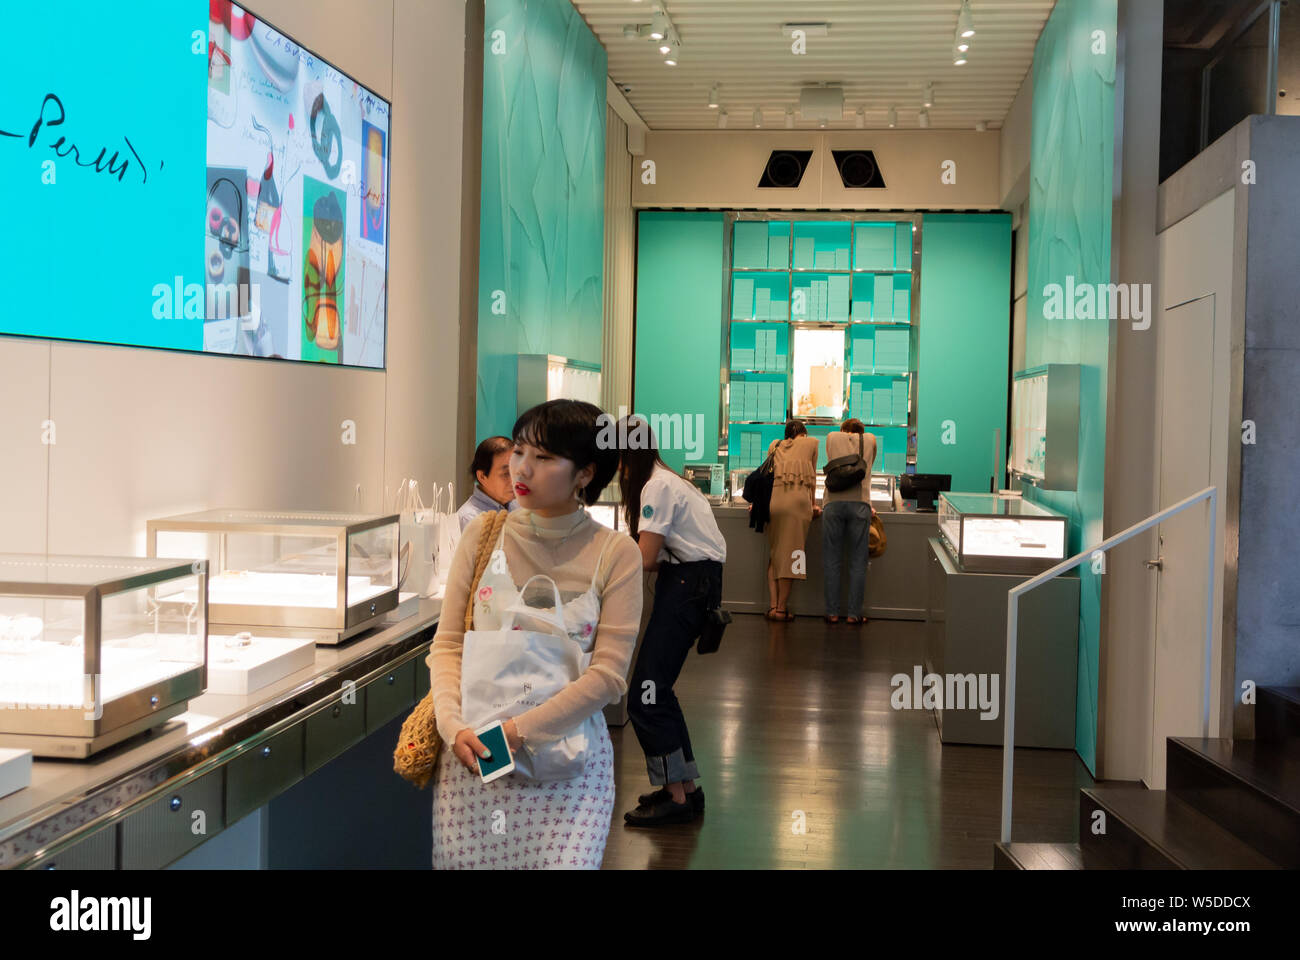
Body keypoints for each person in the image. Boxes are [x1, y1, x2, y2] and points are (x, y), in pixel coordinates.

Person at [426, 400, 643, 869]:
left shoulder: (616, 552)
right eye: (520, 452)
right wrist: (451, 725)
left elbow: (609, 675)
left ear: (585, 473)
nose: (521, 468)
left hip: (568, 773)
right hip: (475, 763)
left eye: (544, 458)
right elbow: (446, 646)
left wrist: (518, 732)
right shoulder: (484, 533)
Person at [615, 416, 727, 827]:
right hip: (694, 585)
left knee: (645, 694)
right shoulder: (669, 479)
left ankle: (674, 796)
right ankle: (686, 789)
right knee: (659, 689)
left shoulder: (656, 486)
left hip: (685, 587)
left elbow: (645, 557)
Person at [821, 418, 878, 625]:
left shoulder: (831, 437)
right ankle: (854, 615)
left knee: (831, 559)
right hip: (860, 503)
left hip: (833, 503)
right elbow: (868, 465)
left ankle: (832, 613)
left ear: (843, 429)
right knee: (857, 562)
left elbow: (832, 459)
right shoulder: (870, 439)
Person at [765, 420, 820, 621]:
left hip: (775, 503)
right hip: (798, 504)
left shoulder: (775, 445)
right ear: (803, 433)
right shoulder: (812, 443)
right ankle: (781, 610)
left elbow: (768, 477)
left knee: (775, 554)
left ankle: (772, 607)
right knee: (794, 555)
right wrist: (813, 505)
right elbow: (812, 479)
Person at [456, 436, 518, 531]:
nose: (514, 480)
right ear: (482, 476)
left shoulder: (518, 505)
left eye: (516, 471)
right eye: (506, 474)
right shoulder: (470, 518)